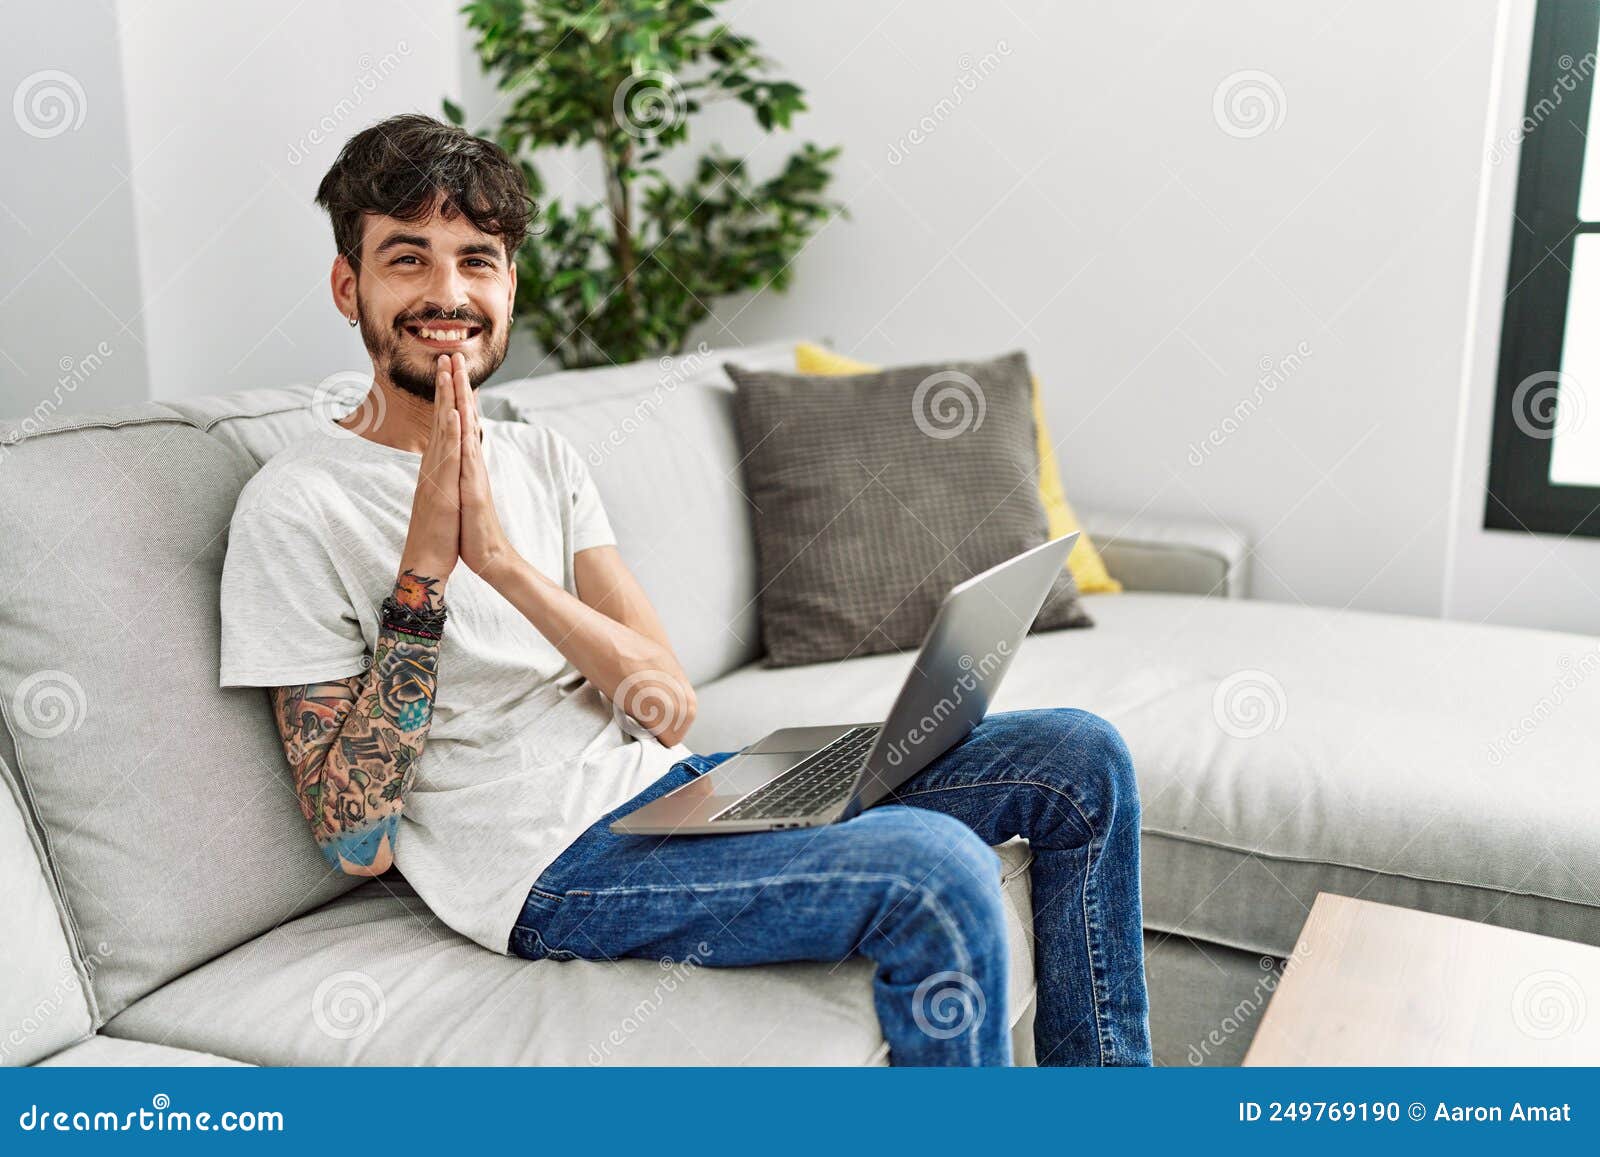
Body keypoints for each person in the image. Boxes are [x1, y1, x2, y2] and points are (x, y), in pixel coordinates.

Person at [219, 113, 1150, 1066]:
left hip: (677, 786)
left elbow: (665, 705)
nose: (448, 293)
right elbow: (357, 841)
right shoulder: (298, 506)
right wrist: (423, 578)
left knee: (1078, 758)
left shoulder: (542, 456)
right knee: (935, 869)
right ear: (350, 286)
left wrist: (501, 564)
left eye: (477, 260)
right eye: (408, 259)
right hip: (549, 866)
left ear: (510, 285)